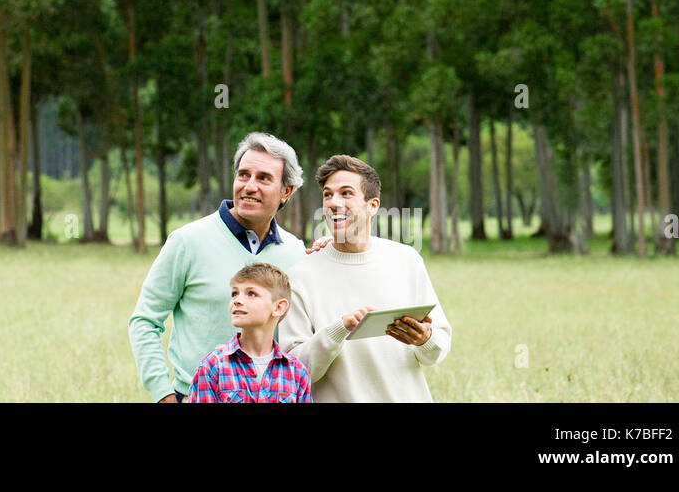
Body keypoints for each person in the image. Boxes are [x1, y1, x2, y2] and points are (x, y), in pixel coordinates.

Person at [128, 131, 309, 403]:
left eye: (264, 178)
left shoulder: (296, 253)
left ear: (286, 191)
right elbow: (145, 320)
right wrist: (163, 395)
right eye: (244, 175)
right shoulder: (187, 242)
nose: (249, 186)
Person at [279, 154, 452, 402]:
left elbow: (438, 348)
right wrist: (339, 330)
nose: (333, 203)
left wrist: (425, 339)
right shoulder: (299, 277)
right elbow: (294, 371)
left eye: (346, 193)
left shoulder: (407, 260)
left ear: (372, 205)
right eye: (328, 195)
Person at [186, 263, 312, 403]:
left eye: (251, 294)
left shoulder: (296, 372)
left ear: (278, 307)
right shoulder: (213, 367)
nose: (237, 301)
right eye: (234, 294)